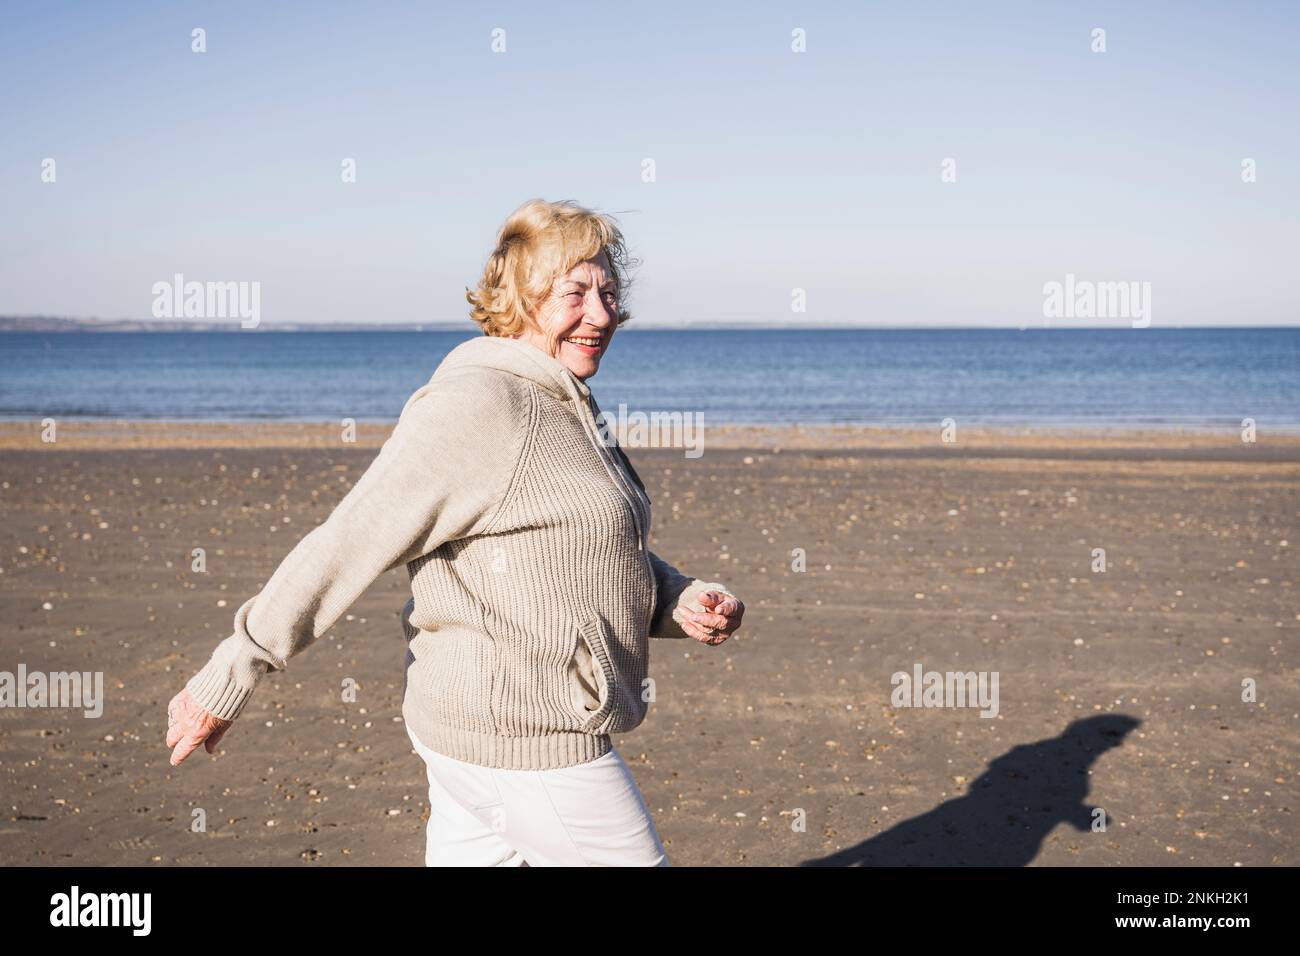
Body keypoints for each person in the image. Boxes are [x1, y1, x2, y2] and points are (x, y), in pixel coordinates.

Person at [166, 197, 746, 866]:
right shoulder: (481, 405)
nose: (602, 314)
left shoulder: (563, 402)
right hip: (530, 743)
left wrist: (676, 600)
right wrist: (234, 670)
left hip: (477, 736)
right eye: (576, 293)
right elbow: (348, 540)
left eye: (610, 293)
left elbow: (575, 544)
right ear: (522, 297)